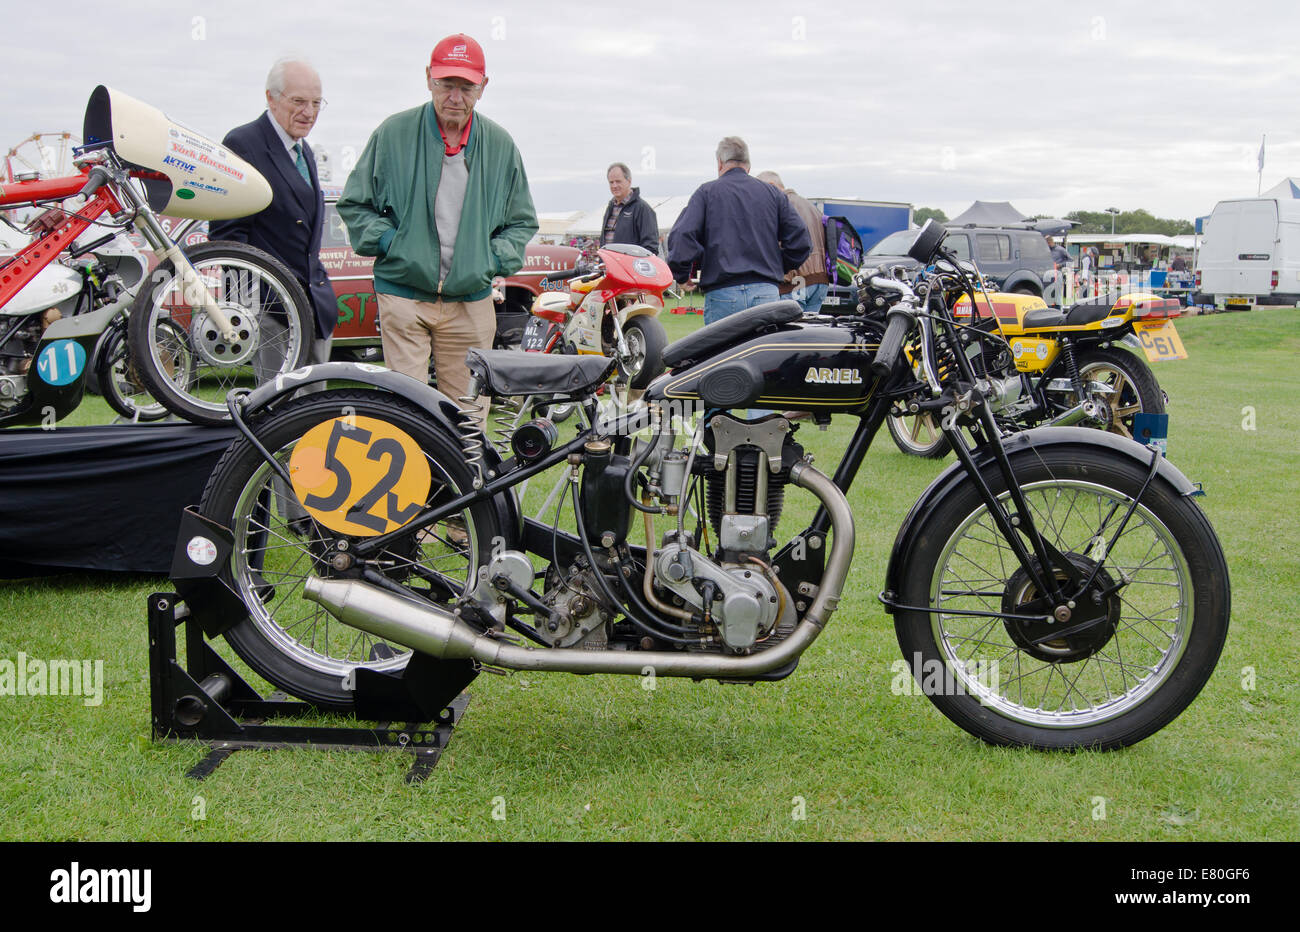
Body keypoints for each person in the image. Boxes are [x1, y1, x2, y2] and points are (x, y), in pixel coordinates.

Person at [337, 33, 538, 420]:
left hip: (471, 299)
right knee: (408, 409)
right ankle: (409, 481)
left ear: (483, 87)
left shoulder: (500, 145)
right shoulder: (392, 133)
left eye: (466, 87)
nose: (455, 97)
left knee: (468, 416)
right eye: (447, 84)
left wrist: (489, 259)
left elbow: (521, 221)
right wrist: (396, 242)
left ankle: (462, 484)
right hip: (404, 295)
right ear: (429, 78)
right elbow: (355, 204)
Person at [209, 58, 336, 369]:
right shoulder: (243, 143)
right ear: (271, 97)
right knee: (278, 409)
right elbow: (227, 235)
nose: (309, 112)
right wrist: (248, 311)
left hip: (313, 307)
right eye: (299, 101)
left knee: (316, 405)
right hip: (271, 310)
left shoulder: (304, 150)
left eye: (316, 103)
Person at [667, 136, 810, 325]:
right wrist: (776, 265)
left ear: (719, 163)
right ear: (748, 165)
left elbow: (682, 236)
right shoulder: (773, 194)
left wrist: (682, 275)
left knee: (723, 354)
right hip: (765, 292)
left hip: (723, 293)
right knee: (764, 354)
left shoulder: (706, 193)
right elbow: (802, 241)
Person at [756, 171, 828, 313]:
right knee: (808, 332)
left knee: (788, 332)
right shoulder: (810, 206)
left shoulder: (781, 205)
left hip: (797, 281)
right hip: (821, 281)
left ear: (771, 185)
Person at [600, 163, 659, 254]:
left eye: (618, 181)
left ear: (629, 181)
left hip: (630, 267)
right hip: (609, 266)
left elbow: (651, 247)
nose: (614, 186)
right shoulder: (610, 208)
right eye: (611, 182)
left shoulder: (642, 208)